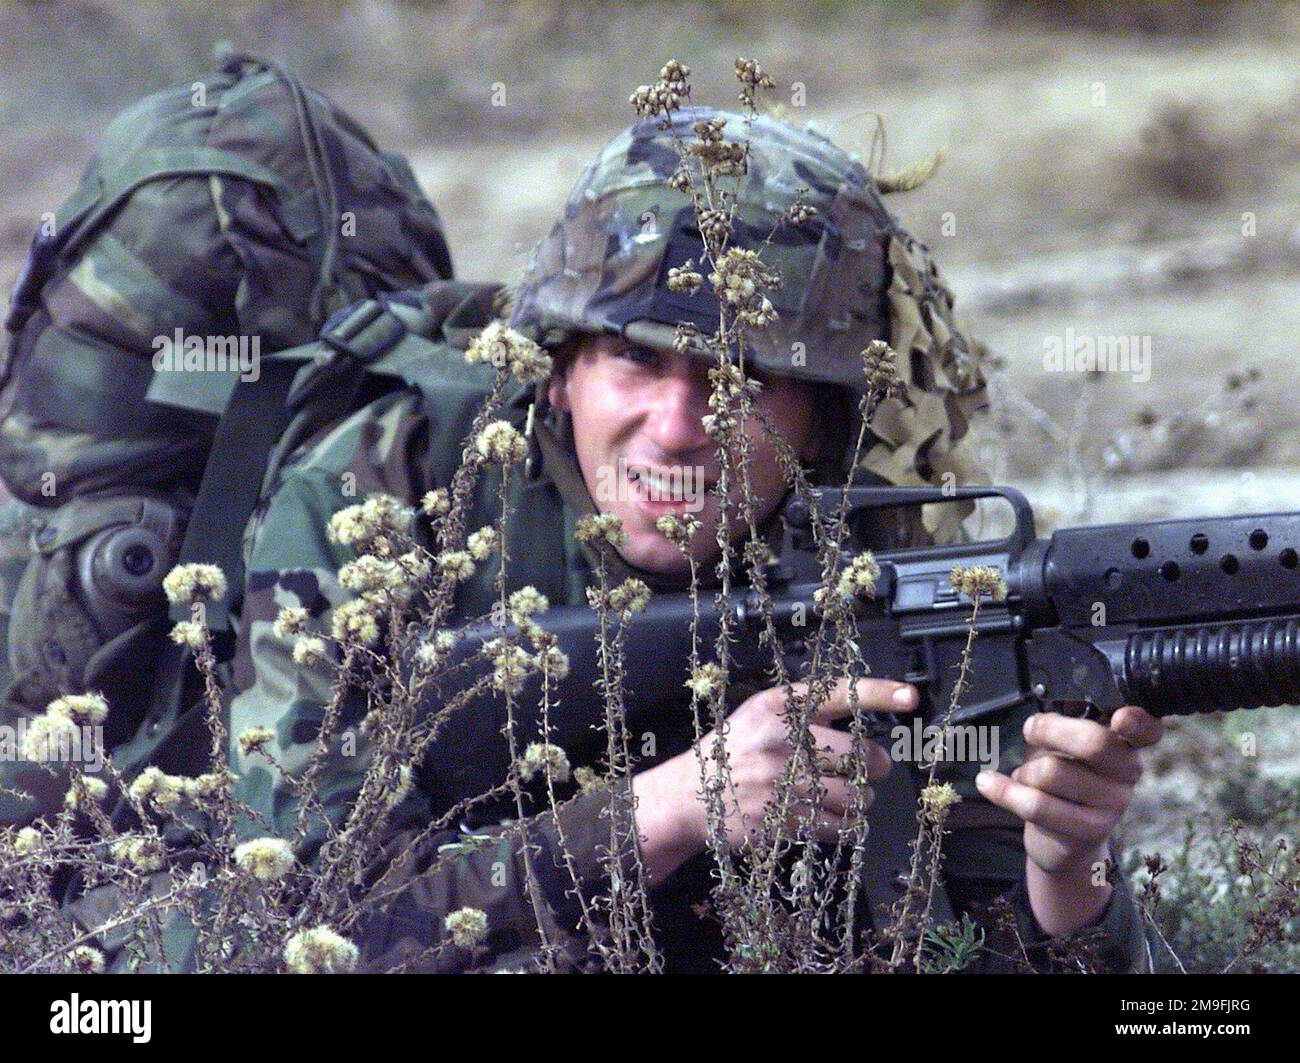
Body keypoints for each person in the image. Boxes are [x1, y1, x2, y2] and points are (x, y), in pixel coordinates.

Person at [223, 108, 1162, 973]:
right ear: (558, 372)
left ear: (823, 425)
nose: (677, 426)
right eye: (634, 356)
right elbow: (302, 934)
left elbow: (993, 942)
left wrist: (1067, 878)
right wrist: (664, 811)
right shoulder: (391, 495)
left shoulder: (868, 559)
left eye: (742, 377)